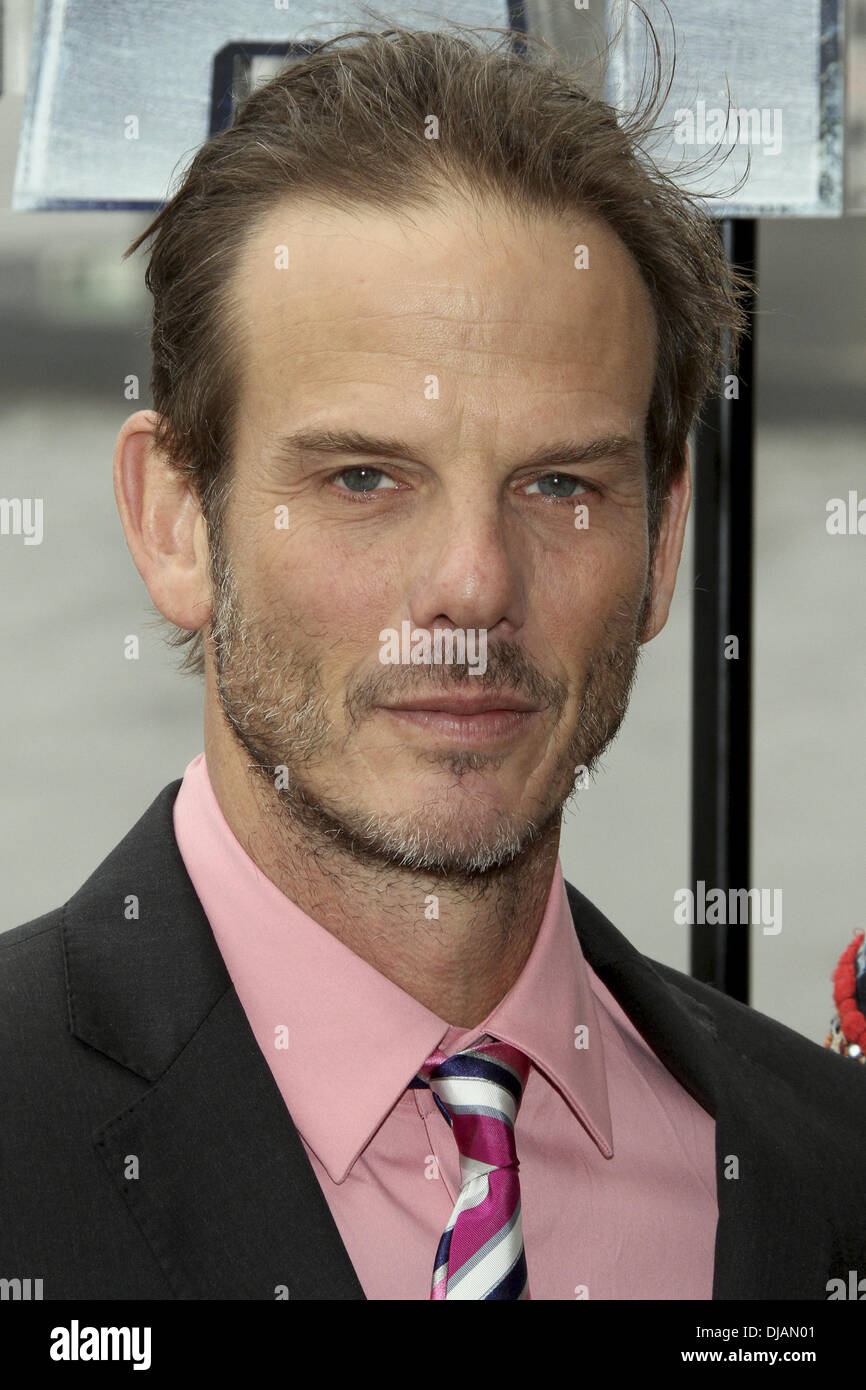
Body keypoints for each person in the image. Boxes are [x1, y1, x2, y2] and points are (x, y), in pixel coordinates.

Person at [2, 24, 865, 1303]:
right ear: (176, 520)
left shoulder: (830, 1181)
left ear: (664, 538)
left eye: (559, 483)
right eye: (363, 477)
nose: (474, 581)